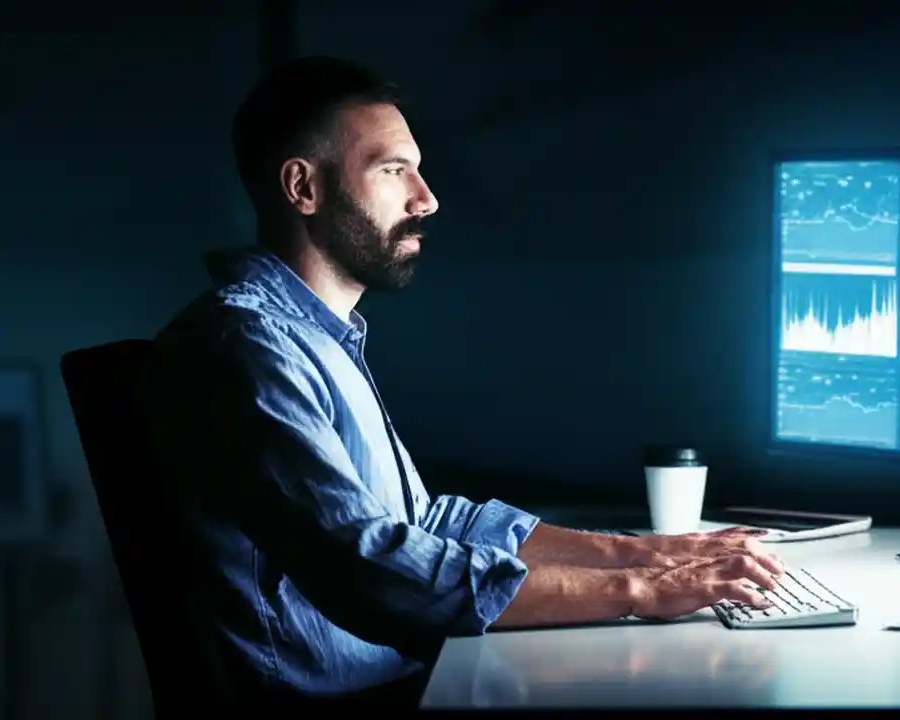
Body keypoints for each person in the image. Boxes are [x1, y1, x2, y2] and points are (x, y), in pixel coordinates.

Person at [142, 56, 784, 709]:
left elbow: (423, 521)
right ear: (303, 188)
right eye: (393, 170)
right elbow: (373, 567)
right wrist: (639, 594)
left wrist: (642, 557)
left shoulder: (314, 337)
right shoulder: (249, 349)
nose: (426, 198)